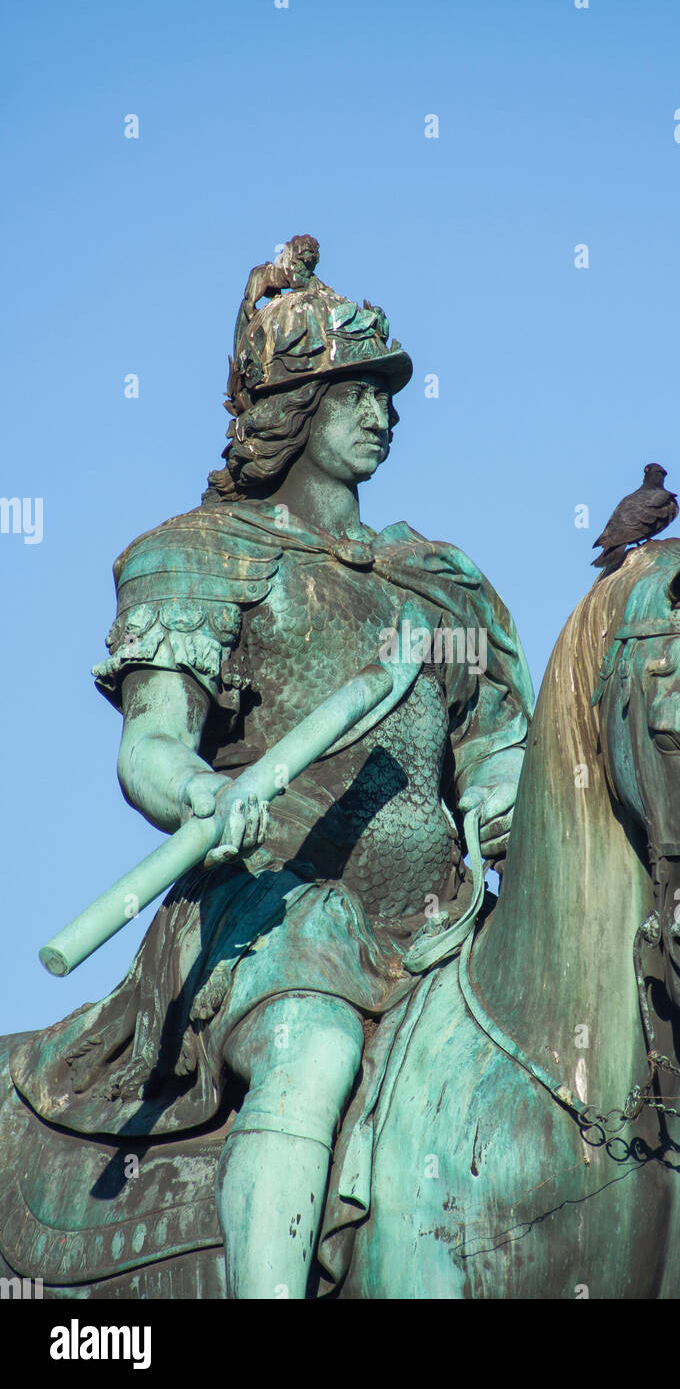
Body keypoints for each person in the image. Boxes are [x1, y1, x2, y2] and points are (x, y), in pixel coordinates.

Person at [10, 240, 533, 1297]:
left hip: (441, 924)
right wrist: (204, 792)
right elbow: (150, 746)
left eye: (388, 394)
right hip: (269, 917)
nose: (384, 414)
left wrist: (501, 798)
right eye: (355, 393)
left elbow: (495, 747)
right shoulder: (201, 557)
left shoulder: (439, 584)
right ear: (293, 408)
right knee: (312, 1045)